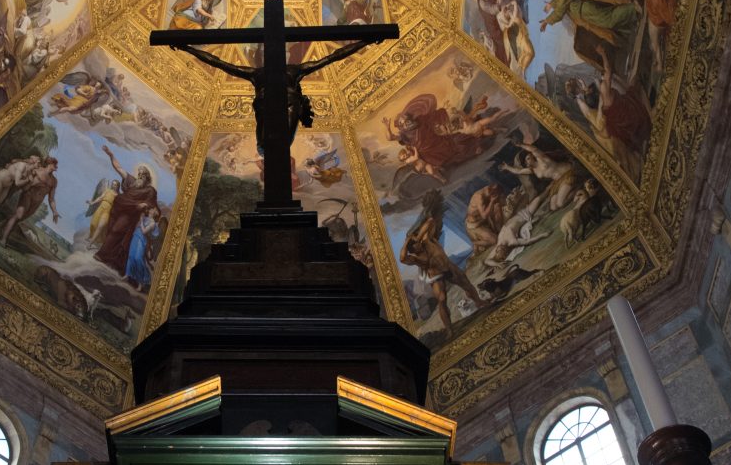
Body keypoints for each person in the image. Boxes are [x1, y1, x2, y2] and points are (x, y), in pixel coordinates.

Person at [176, 39, 378, 161]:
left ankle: (274, 158)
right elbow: (217, 62)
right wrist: (188, 49)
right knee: (265, 143)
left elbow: (333, 56)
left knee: (281, 143)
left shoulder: (290, 70)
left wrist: (365, 42)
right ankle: (267, 151)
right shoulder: (260, 73)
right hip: (267, 105)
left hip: (289, 103)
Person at [401, 191, 490, 338]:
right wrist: (406, 243)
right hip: (435, 276)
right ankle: (449, 329)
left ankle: (479, 302)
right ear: (412, 249)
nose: (417, 246)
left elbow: (429, 222)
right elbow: (403, 258)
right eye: (414, 246)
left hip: (448, 266)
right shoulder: (416, 258)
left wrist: (416, 237)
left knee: (466, 283)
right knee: (442, 299)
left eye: (416, 244)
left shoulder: (427, 241)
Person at [95, 146, 160, 273]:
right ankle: (110, 259)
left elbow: (152, 206)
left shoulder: (150, 190)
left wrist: (144, 204)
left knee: (116, 230)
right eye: (139, 173)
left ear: (147, 178)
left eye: (143, 175)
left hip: (130, 215)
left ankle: (102, 255)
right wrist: (111, 155)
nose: (140, 176)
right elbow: (119, 168)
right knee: (112, 231)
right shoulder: (132, 181)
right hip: (118, 210)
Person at [0, 157, 59, 243]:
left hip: (37, 202)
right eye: (55, 164)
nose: (56, 167)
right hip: (28, 195)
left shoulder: (54, 181)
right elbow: (26, 184)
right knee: (19, 215)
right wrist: (34, 182)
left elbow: (51, 198)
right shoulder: (37, 170)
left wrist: (55, 211)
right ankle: (3, 239)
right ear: (49, 164)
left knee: (20, 218)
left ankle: (2, 224)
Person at [125, 206, 161, 287]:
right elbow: (136, 227)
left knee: (138, 258)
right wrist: (141, 220)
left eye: (152, 209)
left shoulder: (152, 223)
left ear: (154, 213)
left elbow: (144, 232)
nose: (150, 210)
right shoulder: (144, 217)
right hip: (136, 236)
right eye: (151, 209)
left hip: (142, 239)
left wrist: (141, 221)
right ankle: (127, 275)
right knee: (131, 256)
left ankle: (141, 282)